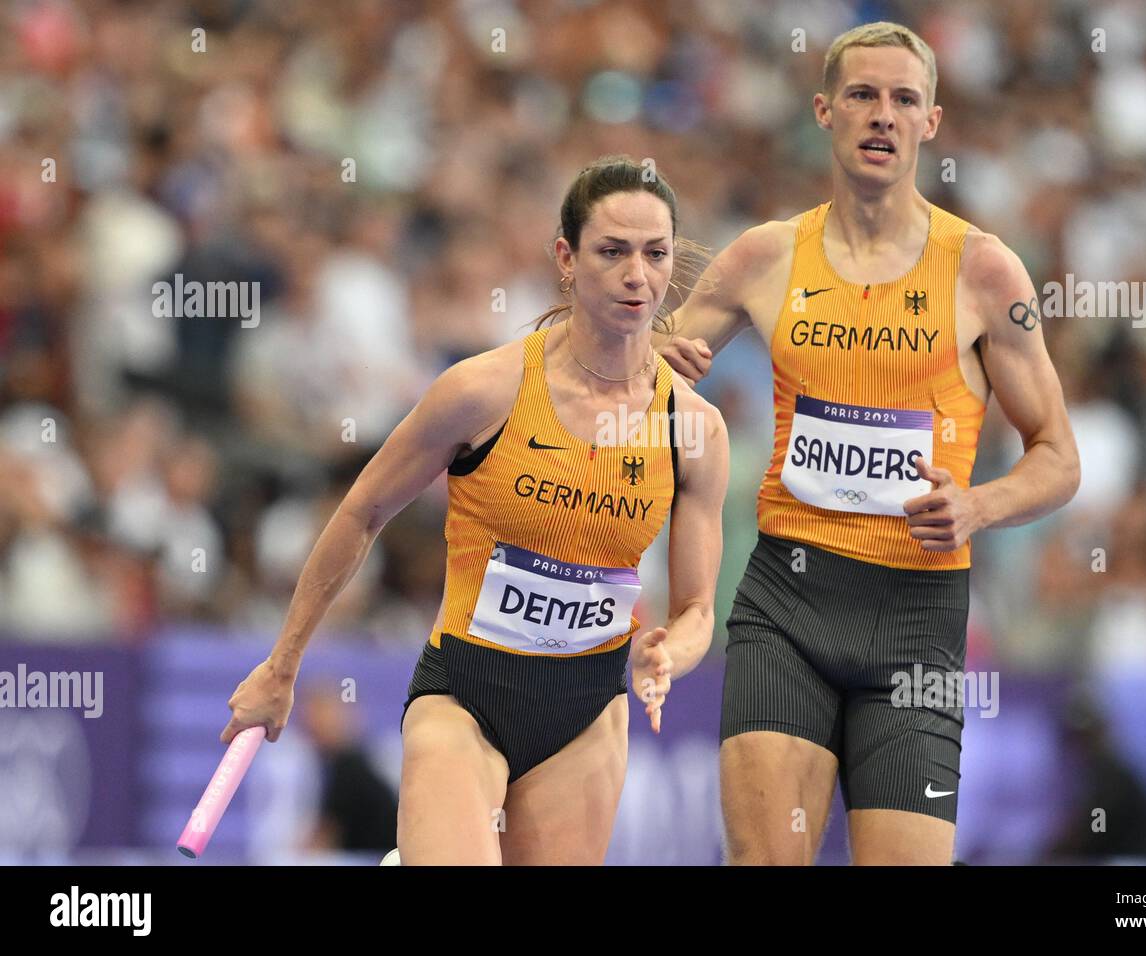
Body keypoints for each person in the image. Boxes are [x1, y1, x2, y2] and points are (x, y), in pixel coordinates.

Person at [222, 155, 729, 865]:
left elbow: (700, 607)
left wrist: (671, 650)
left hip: (587, 711)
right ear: (566, 257)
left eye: (655, 254)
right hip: (466, 695)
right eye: (611, 251)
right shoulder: (481, 391)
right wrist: (282, 666)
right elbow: (361, 513)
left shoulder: (695, 429)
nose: (636, 275)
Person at [659, 22, 1080, 865]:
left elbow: (1059, 459)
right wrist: (647, 360)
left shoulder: (984, 271)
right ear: (824, 110)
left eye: (903, 99)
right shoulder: (765, 256)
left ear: (932, 123)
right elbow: (641, 374)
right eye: (862, 95)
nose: (881, 115)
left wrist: (978, 504)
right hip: (787, 601)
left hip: (917, 621)